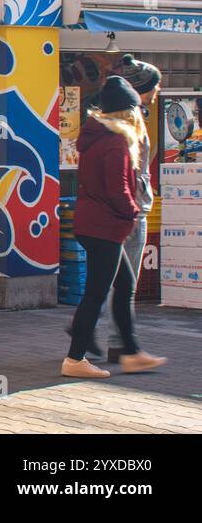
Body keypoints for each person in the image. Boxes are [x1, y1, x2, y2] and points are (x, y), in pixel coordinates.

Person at [63, 76, 167, 378]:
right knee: (97, 293)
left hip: (94, 224)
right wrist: (132, 212)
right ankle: (75, 359)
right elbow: (118, 189)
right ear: (127, 112)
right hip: (105, 226)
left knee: (122, 286)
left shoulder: (96, 138)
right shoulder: (116, 143)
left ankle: (131, 353)